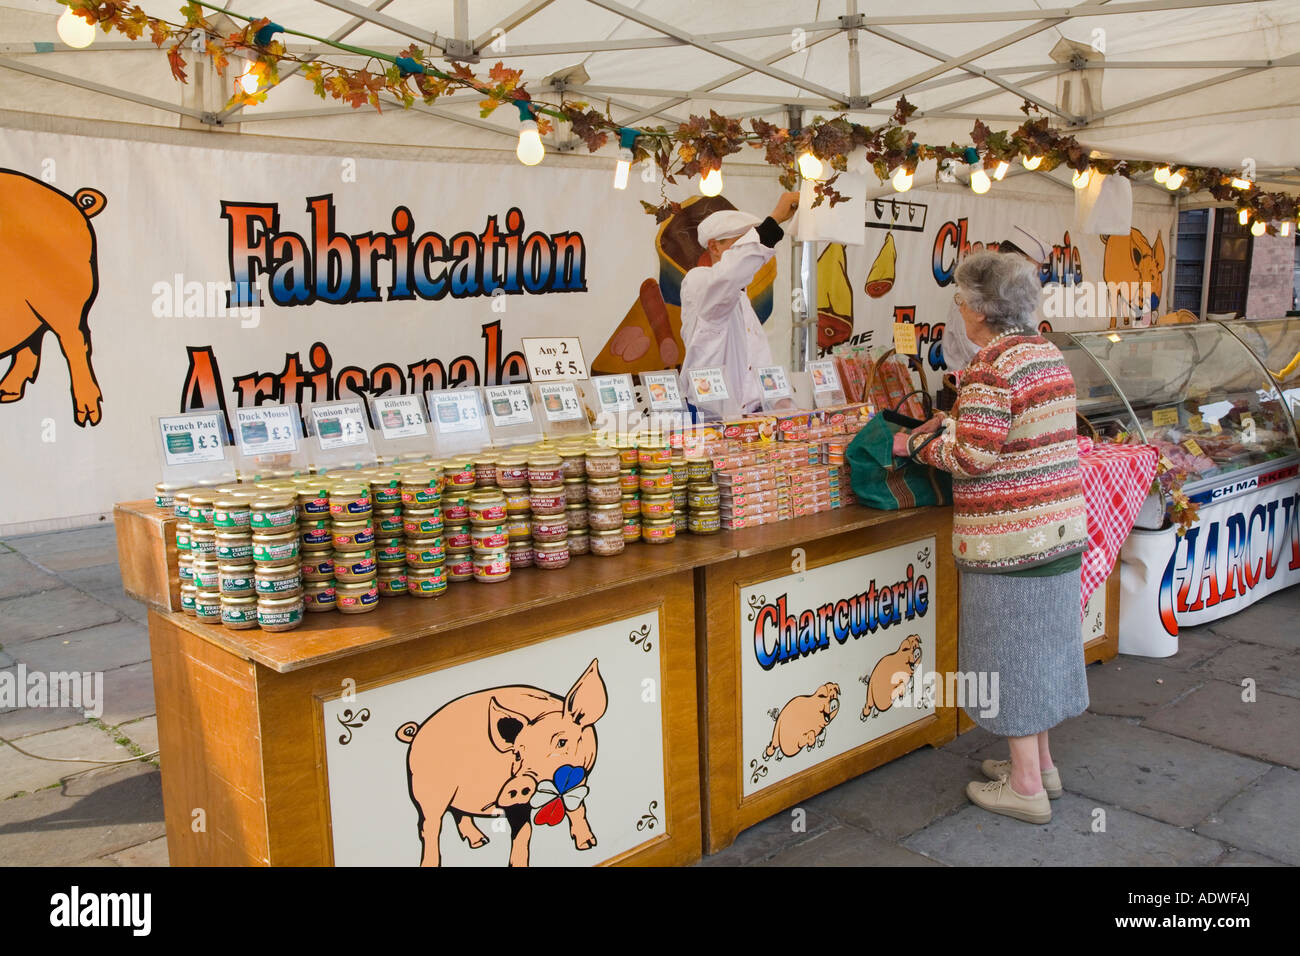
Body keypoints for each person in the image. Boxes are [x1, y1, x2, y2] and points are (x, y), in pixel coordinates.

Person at [894, 250, 1089, 826]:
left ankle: (1026, 787)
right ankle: (1043, 767)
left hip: (1008, 541)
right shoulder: (1044, 352)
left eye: (960, 301)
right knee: (1042, 652)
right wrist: (953, 422)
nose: (958, 310)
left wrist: (914, 445)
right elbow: (1013, 428)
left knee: (1009, 659)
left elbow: (973, 457)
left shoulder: (990, 366)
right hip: (1055, 530)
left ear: (980, 310)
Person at [679, 192, 801, 416]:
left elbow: (758, 360)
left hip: (750, 419)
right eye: (741, 243)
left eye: (749, 242)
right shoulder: (700, 281)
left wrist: (782, 405)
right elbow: (728, 276)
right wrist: (773, 221)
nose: (750, 251)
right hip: (713, 417)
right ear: (714, 247)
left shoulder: (740, 297)